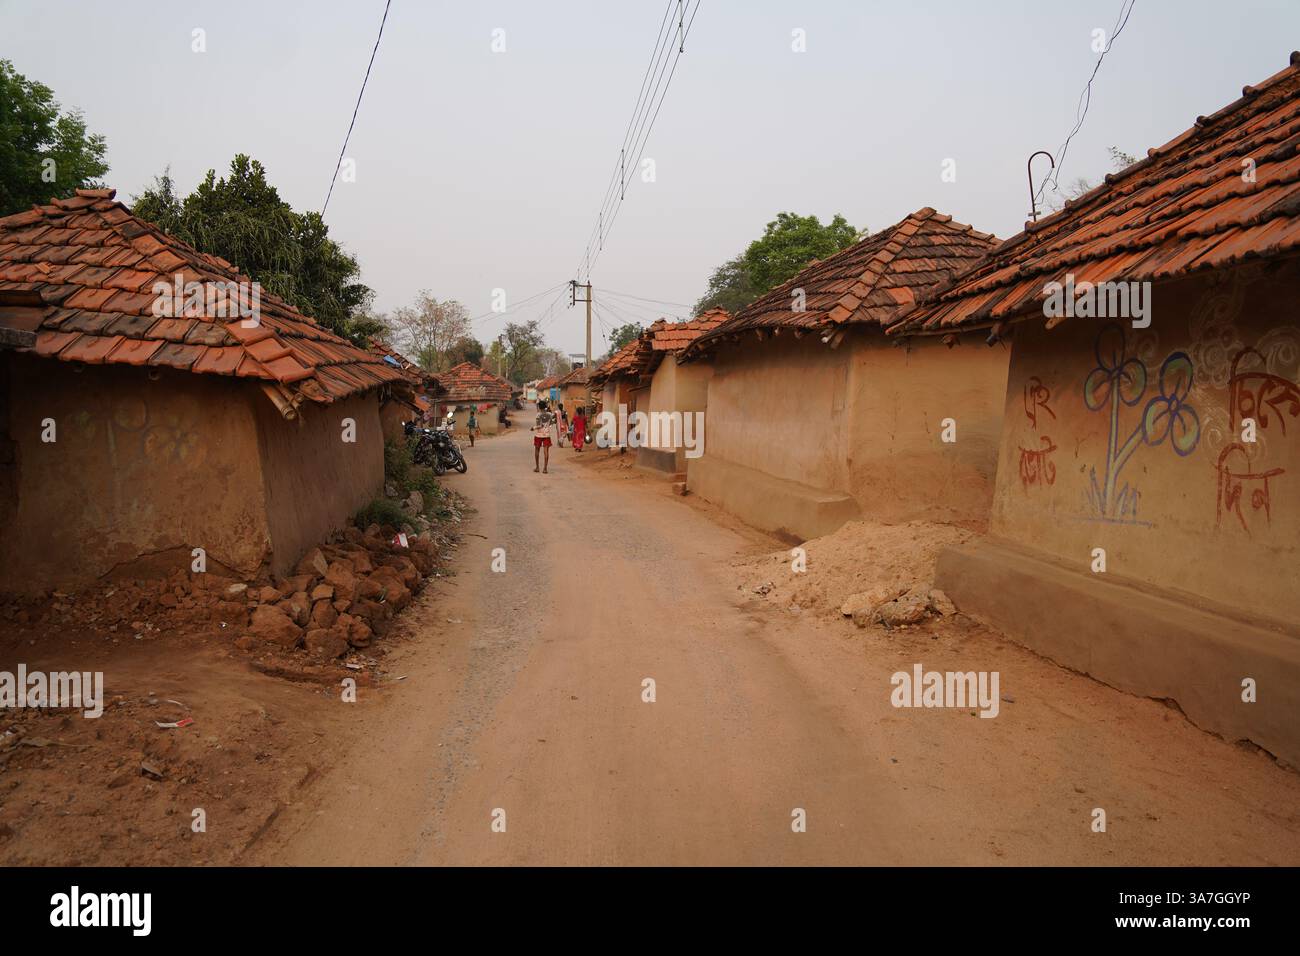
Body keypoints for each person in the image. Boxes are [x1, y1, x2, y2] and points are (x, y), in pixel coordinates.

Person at [533, 400, 557, 473]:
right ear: (545, 406)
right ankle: (545, 468)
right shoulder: (549, 414)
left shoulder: (538, 415)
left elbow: (539, 426)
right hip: (546, 435)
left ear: (539, 407)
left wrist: (533, 428)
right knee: (546, 451)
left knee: (537, 450)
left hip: (539, 435)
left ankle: (537, 467)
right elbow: (552, 422)